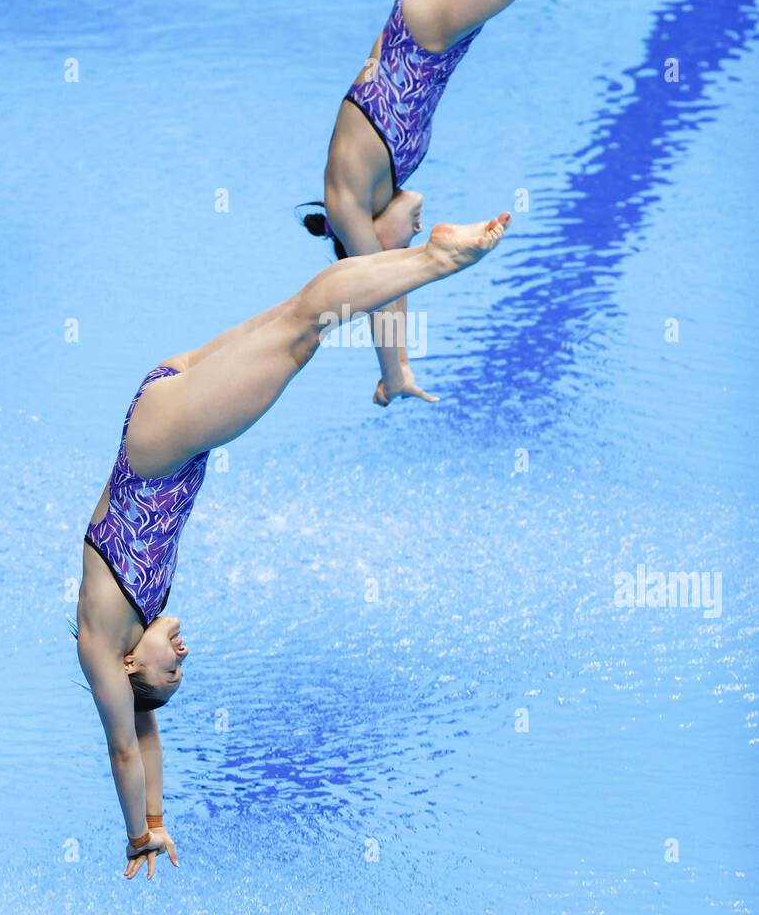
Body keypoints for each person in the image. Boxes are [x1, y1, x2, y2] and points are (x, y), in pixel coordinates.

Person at [74, 213, 511, 878]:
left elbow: (126, 748)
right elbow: (148, 733)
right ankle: (415, 289)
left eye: (172, 671)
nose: (182, 657)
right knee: (297, 316)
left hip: (161, 445)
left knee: (304, 328)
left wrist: (137, 836)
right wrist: (161, 818)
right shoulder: (136, 633)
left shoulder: (101, 648)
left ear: (132, 670)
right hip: (168, 414)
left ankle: (436, 258)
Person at [300, 0, 751, 406]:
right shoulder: (379, 187)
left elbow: (378, 289)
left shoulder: (349, 198)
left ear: (369, 242)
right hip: (439, 20)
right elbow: (390, 279)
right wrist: (395, 371)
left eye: (396, 245)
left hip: (433, 21)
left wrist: (393, 369)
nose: (416, 228)